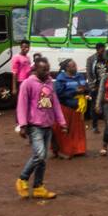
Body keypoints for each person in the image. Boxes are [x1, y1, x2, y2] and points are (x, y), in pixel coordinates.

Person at [16, 57, 68, 199]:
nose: (47, 71)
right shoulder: (27, 84)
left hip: (47, 125)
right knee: (39, 155)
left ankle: (38, 187)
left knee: (43, 158)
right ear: (36, 69)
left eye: (48, 69)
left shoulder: (50, 83)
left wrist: (62, 122)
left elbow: (55, 103)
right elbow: (22, 105)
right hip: (34, 126)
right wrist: (23, 125)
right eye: (43, 69)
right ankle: (22, 179)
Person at [53, 59, 89, 158]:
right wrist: (74, 92)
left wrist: (85, 89)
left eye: (75, 65)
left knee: (77, 131)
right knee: (65, 130)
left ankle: (78, 149)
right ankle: (64, 150)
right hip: (66, 108)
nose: (75, 68)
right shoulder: (61, 78)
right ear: (67, 68)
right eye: (73, 66)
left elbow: (86, 87)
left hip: (78, 109)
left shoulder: (80, 76)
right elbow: (59, 94)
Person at [86, 42, 107, 133]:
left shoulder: (107, 59)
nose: (103, 51)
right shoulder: (90, 59)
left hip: (106, 85)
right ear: (98, 50)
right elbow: (89, 74)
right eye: (102, 50)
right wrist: (92, 86)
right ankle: (95, 126)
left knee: (106, 105)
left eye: (104, 49)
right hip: (96, 86)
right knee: (94, 106)